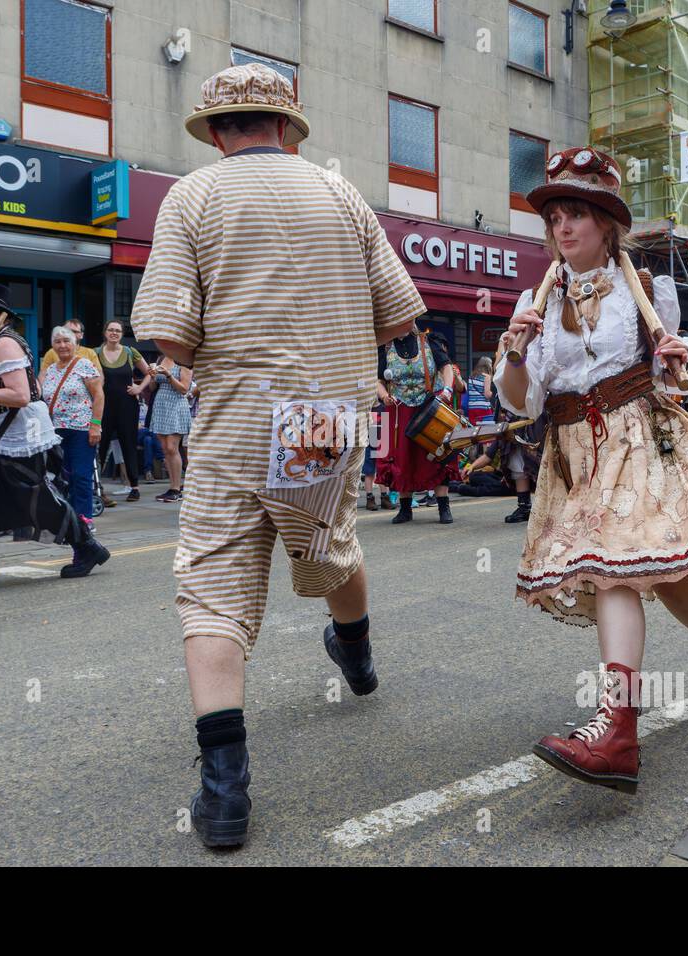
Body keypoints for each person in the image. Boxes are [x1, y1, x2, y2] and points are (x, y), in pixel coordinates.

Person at [130, 63, 424, 847]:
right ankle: (356, 654)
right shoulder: (340, 191)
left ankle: (226, 792)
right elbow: (399, 317)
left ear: (216, 131)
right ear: (288, 127)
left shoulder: (191, 196)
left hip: (238, 416)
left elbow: (171, 336)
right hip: (328, 417)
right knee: (328, 544)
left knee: (214, 585)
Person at [493, 146, 688, 794]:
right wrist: (517, 352)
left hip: (634, 441)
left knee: (617, 569)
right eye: (556, 215)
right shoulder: (538, 297)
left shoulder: (641, 289)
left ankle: (617, 729)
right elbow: (520, 402)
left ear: (607, 226)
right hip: (572, 454)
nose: (562, 227)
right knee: (661, 579)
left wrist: (674, 362)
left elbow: (678, 377)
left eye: (577, 214)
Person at [0, 280, 110, 579]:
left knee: (38, 500)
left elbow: (20, 396)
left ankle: (87, 545)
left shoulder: (5, 344)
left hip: (22, 433)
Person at [376, 328, 458, 523]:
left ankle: (443, 506)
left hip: (430, 405)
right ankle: (405, 509)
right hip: (399, 408)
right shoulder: (385, 348)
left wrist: (447, 388)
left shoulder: (430, 341)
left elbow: (446, 366)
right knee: (403, 456)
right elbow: (377, 380)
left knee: (438, 453)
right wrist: (384, 395)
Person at [41, 326, 104, 521]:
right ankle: (68, 518)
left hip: (82, 429)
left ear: (75, 344)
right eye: (57, 341)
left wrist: (95, 424)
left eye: (66, 341)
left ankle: (84, 519)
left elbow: (99, 395)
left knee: (81, 475)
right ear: (52, 345)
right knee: (63, 476)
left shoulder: (84, 365)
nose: (62, 345)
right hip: (56, 430)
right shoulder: (50, 370)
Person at [95, 320, 151, 502]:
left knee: (129, 445)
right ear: (105, 332)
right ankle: (96, 486)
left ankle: (134, 487)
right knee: (100, 446)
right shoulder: (94, 353)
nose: (114, 333)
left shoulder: (129, 352)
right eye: (111, 330)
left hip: (127, 406)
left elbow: (151, 372)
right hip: (103, 407)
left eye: (117, 331)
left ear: (121, 334)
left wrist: (140, 388)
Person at [137, 354, 192, 502]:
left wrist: (168, 375)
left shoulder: (184, 361)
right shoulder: (161, 359)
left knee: (172, 447)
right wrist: (153, 375)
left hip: (176, 406)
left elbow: (184, 389)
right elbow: (153, 387)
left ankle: (176, 488)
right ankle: (172, 487)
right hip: (161, 405)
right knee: (164, 448)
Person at [466, 357, 495, 425]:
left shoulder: (471, 376)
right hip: (483, 408)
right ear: (488, 366)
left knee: (474, 428)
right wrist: (492, 393)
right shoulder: (487, 377)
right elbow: (487, 394)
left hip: (471, 408)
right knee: (487, 430)